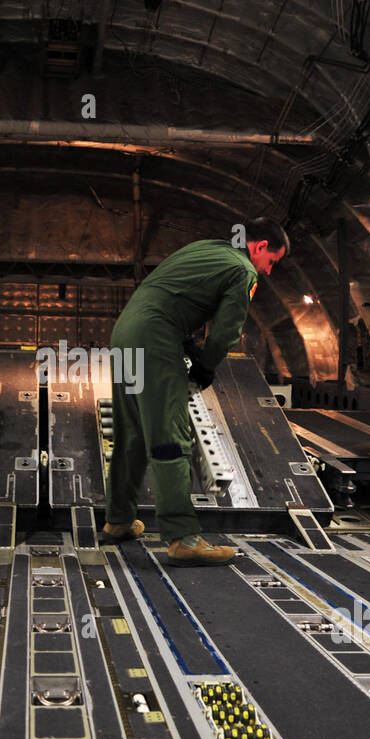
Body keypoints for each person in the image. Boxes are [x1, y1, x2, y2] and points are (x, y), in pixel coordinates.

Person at [103, 218, 289, 565]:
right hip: (156, 339)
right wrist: (206, 365)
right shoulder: (242, 269)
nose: (268, 271)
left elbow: (173, 292)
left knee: (131, 432)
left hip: (126, 332)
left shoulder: (206, 248)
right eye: (271, 262)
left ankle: (119, 520)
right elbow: (225, 330)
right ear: (260, 247)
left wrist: (187, 341)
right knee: (170, 436)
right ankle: (182, 538)